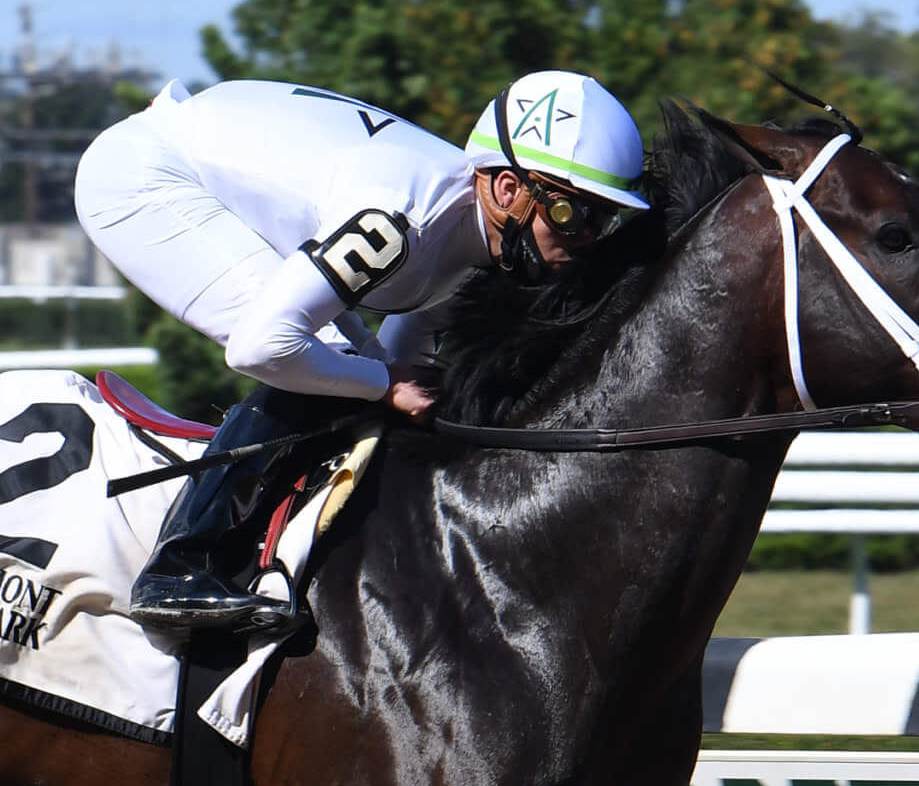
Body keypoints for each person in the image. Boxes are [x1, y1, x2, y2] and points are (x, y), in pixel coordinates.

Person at [73, 69, 653, 632]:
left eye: (605, 220)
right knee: (320, 357)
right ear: (507, 189)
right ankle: (178, 568)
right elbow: (261, 349)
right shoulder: (403, 222)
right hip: (144, 177)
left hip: (197, 156)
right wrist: (382, 384)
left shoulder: (472, 237)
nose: (586, 240)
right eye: (573, 213)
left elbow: (408, 367)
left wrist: (392, 389)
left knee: (359, 378)